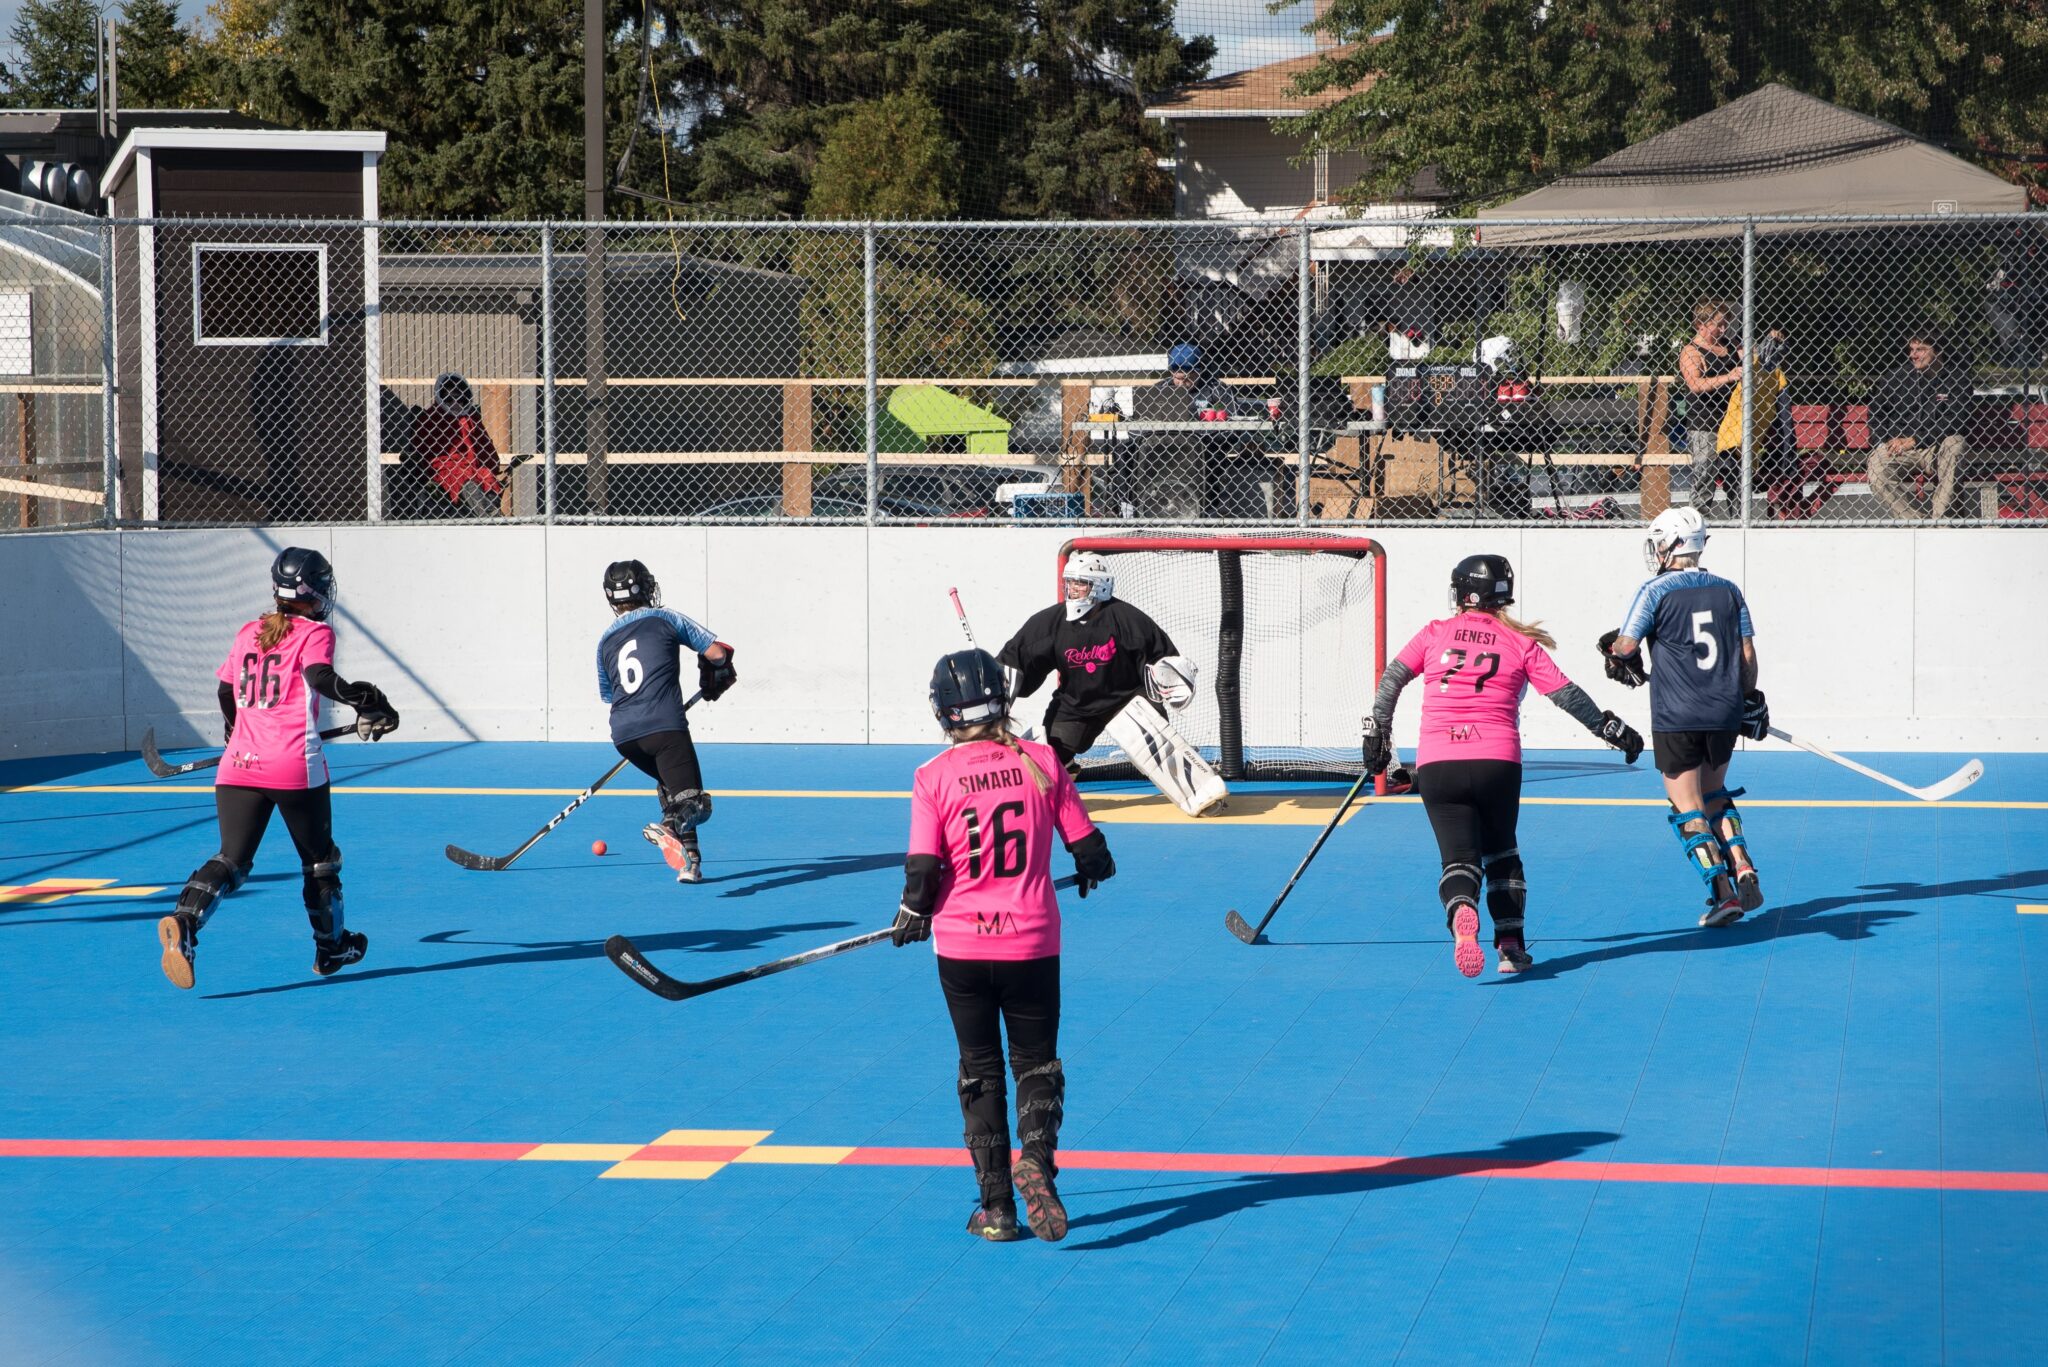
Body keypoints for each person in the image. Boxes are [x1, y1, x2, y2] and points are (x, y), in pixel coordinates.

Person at [890, 648, 1116, 1242]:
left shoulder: (932, 776)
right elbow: (1092, 852)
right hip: (1033, 941)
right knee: (1036, 1063)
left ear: (943, 712)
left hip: (963, 947)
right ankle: (1036, 1161)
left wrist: (913, 912)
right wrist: (1090, 868)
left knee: (980, 1071)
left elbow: (923, 870)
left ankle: (996, 1209)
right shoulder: (1041, 760)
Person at [1362, 555, 1642, 977]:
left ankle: (1461, 911)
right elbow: (1566, 694)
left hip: (1440, 762)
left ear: (1460, 593)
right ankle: (1510, 947)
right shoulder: (1519, 642)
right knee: (1503, 853)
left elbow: (1392, 679)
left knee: (1458, 857)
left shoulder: (1435, 633)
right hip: (1497, 760)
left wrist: (1377, 736)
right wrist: (1609, 727)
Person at [156, 548, 399, 990]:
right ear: (317, 591)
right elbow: (320, 677)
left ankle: (185, 921)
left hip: (238, 765)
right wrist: (365, 699)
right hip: (293, 765)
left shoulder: (250, 631)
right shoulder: (315, 632)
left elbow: (226, 691)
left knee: (232, 858)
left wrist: (234, 731)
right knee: (320, 862)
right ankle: (331, 947)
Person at [1599, 507, 1769, 927]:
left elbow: (1624, 647)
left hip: (1677, 714)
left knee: (1687, 805)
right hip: (1723, 711)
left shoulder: (1655, 590)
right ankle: (1742, 860)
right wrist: (1748, 699)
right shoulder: (1729, 590)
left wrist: (1611, 650)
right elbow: (1747, 657)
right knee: (1714, 793)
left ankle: (1723, 891)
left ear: (1671, 545)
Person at [996, 551, 1224, 815]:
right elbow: (1016, 659)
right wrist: (993, 683)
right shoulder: (1051, 622)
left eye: (1080, 583)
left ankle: (1201, 792)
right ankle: (1064, 767)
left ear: (1100, 586)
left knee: (1153, 741)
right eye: (1069, 582)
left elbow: (1162, 658)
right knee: (1050, 754)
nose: (1073, 589)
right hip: (1077, 704)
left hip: (1128, 700)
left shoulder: (1126, 618)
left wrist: (1172, 676)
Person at [597, 559, 735, 883]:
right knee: (697, 804)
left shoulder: (605, 640)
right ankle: (669, 827)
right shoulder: (664, 617)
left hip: (624, 736)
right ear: (646, 588)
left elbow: (609, 695)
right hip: (665, 726)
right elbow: (717, 654)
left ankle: (691, 865)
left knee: (674, 789)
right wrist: (717, 674)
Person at [1868, 332, 1969, 521]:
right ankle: (1918, 524)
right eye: (1911, 349)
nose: (1913, 355)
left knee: (1956, 443)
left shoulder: (1957, 379)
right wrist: (1882, 442)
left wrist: (1915, 440)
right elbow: (1876, 414)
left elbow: (1956, 420)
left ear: (1938, 351)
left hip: (1936, 446)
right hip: (1900, 448)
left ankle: (1941, 522)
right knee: (1876, 465)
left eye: (1920, 349)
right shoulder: (1895, 378)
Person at [1677, 300, 1743, 508]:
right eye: (1719, 324)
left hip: (1733, 421)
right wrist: (1728, 377)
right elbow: (1695, 384)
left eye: (1726, 324)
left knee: (1738, 477)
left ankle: (1740, 520)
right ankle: (1698, 522)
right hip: (1706, 423)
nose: (1724, 329)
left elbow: (1753, 362)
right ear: (1701, 325)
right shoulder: (1691, 351)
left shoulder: (1730, 346)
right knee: (1705, 476)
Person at [412, 373, 504, 518]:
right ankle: (491, 517)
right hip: (443, 469)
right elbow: (427, 454)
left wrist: (486, 470)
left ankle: (492, 513)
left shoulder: (471, 419)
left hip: (472, 467)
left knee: (485, 476)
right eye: (449, 399)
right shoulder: (430, 419)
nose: (455, 403)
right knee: (465, 481)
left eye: (459, 398)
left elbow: (487, 451)